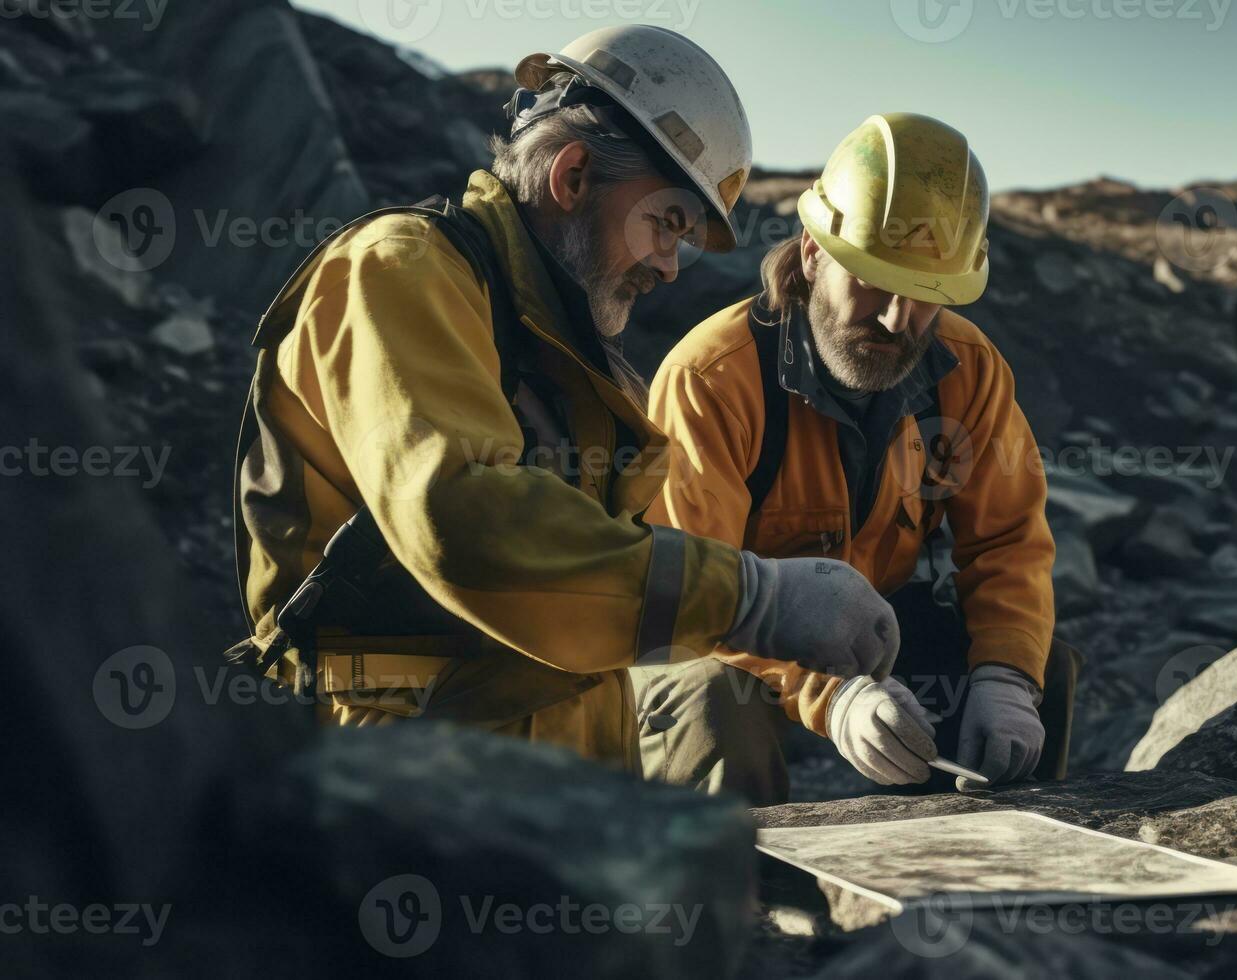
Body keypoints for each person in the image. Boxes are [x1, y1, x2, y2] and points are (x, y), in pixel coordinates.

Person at [225, 27, 899, 771]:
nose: (671, 267)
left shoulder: (561, 353)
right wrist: (751, 598)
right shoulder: (402, 270)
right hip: (403, 782)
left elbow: (596, 597)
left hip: (541, 783)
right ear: (574, 176)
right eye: (669, 223)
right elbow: (461, 516)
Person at [636, 113, 1078, 803]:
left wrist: (1007, 678)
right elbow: (689, 594)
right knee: (705, 695)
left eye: (928, 296)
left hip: (874, 625)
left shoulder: (971, 370)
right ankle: (730, 894)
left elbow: (1008, 542)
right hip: (732, 632)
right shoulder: (712, 381)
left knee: (1030, 660)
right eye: (875, 281)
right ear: (813, 253)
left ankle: (988, 887)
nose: (901, 320)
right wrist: (835, 696)